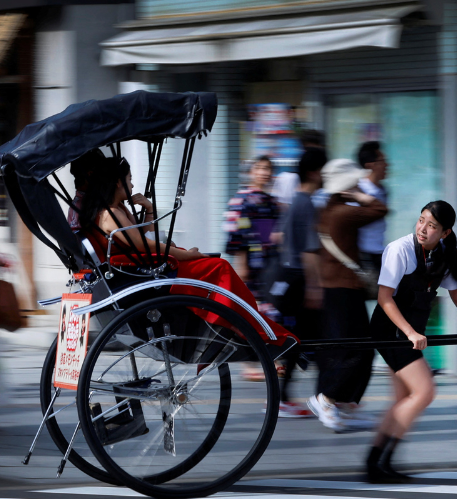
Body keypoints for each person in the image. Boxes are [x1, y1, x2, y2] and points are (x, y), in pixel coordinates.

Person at [79, 155, 292, 342]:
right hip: (142, 271)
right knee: (220, 266)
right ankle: (245, 325)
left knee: (213, 263)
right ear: (118, 183)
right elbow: (148, 245)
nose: (133, 186)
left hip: (143, 265)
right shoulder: (111, 214)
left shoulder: (118, 210)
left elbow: (146, 237)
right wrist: (188, 255)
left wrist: (150, 209)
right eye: (129, 180)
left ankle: (243, 322)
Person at [366, 201, 457, 482]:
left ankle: (376, 462)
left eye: (432, 226)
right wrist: (410, 333)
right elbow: (384, 298)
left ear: (445, 232)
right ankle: (380, 461)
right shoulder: (400, 249)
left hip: (410, 332)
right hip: (391, 330)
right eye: (421, 221)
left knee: (404, 398)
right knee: (424, 392)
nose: (423, 229)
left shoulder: (444, 255)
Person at [308, 159, 389, 432]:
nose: (358, 183)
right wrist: (359, 196)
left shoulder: (325, 210)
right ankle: (328, 399)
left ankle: (342, 405)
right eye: (353, 181)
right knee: (356, 349)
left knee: (346, 348)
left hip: (334, 287)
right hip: (345, 288)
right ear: (345, 186)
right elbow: (380, 208)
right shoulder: (344, 212)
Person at [273, 148, 327, 417]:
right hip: (300, 279)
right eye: (323, 170)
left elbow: (280, 237)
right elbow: (309, 250)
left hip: (289, 276)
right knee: (309, 339)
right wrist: (316, 287)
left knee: (301, 340)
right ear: (313, 172)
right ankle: (315, 398)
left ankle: (287, 397)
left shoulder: (296, 201)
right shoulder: (306, 203)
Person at [225, 156, 283, 294]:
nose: (264, 173)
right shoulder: (242, 198)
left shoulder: (271, 200)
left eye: (267, 168)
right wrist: (242, 263)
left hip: (270, 259)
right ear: (251, 172)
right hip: (250, 260)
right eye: (259, 168)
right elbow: (238, 231)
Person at [356, 141, 389, 294]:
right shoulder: (358, 190)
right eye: (382, 161)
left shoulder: (383, 190)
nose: (387, 165)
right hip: (364, 256)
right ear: (370, 165)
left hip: (379, 253)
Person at [272, 129, 326, 208]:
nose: (311, 156)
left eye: (316, 152)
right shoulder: (288, 179)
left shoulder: (325, 185)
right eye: (309, 151)